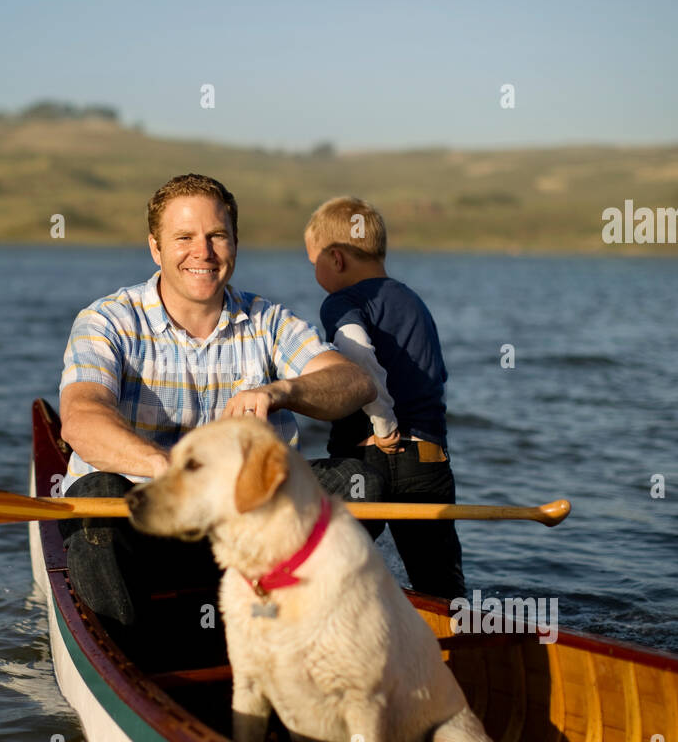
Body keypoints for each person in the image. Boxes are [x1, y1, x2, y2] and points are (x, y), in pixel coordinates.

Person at [57, 174, 378, 662]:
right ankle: (132, 665)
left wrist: (281, 390)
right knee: (97, 496)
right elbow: (81, 420)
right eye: (184, 238)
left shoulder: (267, 320)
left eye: (216, 236)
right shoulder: (107, 320)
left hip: (245, 531)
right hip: (144, 527)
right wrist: (173, 474)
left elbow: (355, 383)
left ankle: (299, 623)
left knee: (360, 482)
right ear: (155, 248)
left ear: (234, 243)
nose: (202, 252)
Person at [303, 196, 465, 600]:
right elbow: (433, 374)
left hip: (370, 453)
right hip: (428, 459)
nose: (316, 274)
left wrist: (383, 422)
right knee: (440, 583)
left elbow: (359, 358)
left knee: (331, 569)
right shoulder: (414, 302)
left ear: (337, 259)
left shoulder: (342, 302)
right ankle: (460, 650)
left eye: (315, 264)